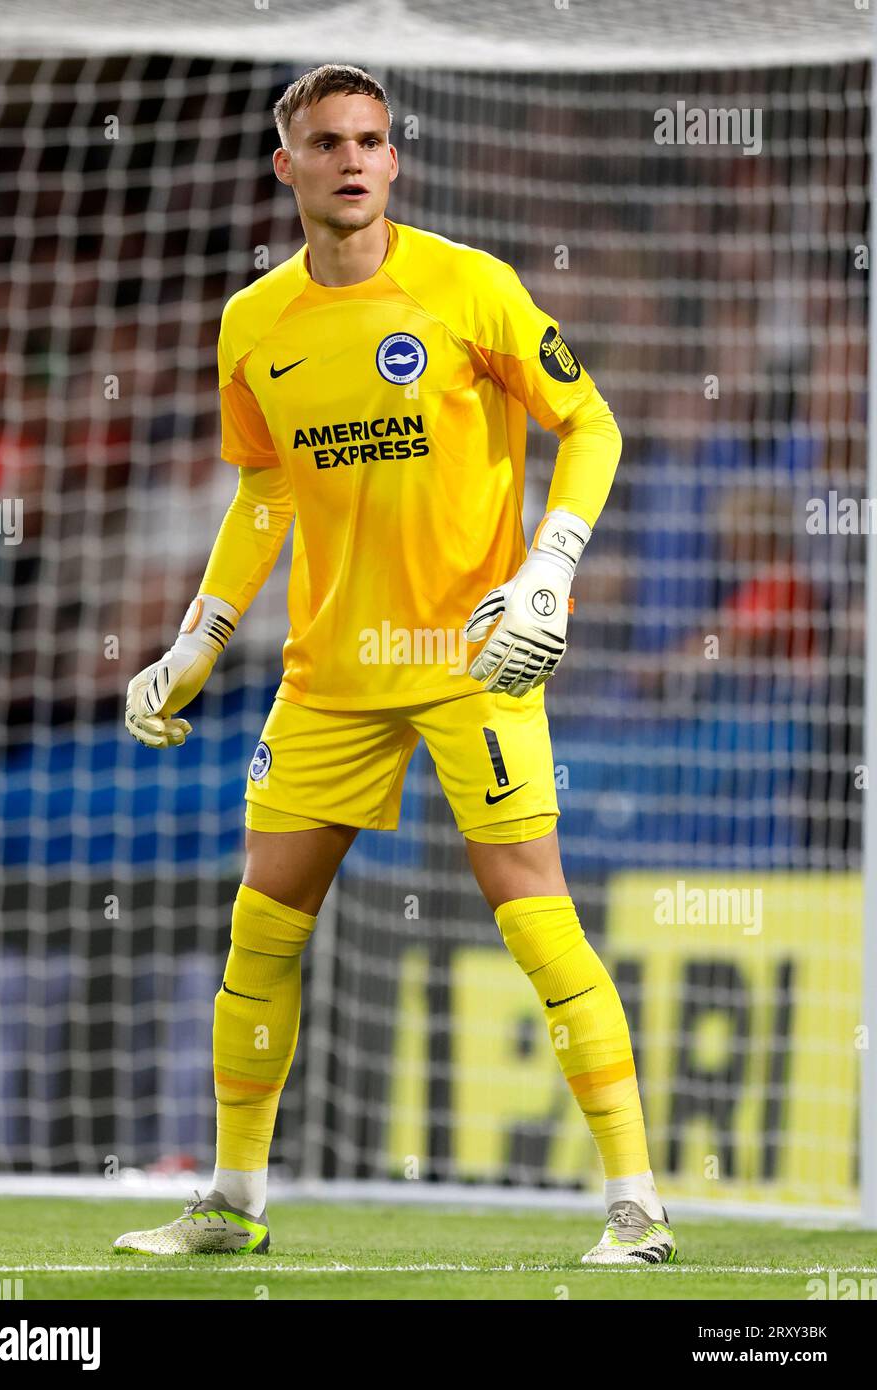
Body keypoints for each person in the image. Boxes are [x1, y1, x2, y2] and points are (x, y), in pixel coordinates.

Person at [116, 63, 676, 1266]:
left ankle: (635, 1203)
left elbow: (591, 424)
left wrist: (548, 568)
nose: (354, 159)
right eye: (328, 142)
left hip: (471, 654)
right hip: (328, 670)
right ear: (290, 166)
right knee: (260, 930)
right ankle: (231, 1200)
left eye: (371, 139)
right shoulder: (252, 322)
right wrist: (201, 634)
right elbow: (265, 487)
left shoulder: (470, 288)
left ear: (395, 159)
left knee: (535, 916)